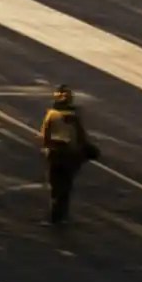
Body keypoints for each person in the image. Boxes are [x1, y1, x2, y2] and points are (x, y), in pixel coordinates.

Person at [40, 85, 98, 226]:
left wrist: (47, 148)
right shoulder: (75, 117)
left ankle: (55, 216)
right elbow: (81, 136)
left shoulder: (52, 115)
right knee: (66, 186)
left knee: (55, 186)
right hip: (72, 156)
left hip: (56, 155)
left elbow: (45, 136)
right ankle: (62, 215)